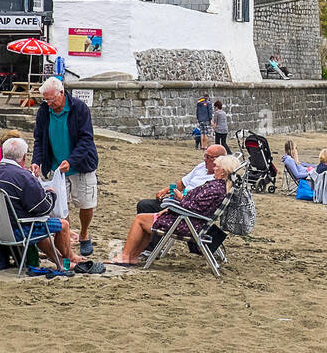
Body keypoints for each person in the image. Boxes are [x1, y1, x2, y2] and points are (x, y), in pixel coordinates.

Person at [109, 154, 239, 265]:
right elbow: (197, 206)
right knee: (145, 217)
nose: (214, 168)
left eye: (216, 166)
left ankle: (125, 256)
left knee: (140, 219)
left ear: (222, 171)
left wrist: (171, 207)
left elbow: (194, 208)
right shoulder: (218, 187)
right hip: (191, 221)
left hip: (187, 224)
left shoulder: (214, 188)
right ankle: (133, 257)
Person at [0, 137, 85, 267]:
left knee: (39, 228)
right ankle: (67, 262)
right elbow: (43, 208)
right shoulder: (23, 177)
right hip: (18, 230)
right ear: (24, 157)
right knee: (63, 225)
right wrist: (51, 193)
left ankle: (59, 261)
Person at [31, 77, 100, 257]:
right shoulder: (44, 111)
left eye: (52, 99)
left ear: (61, 93)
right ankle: (67, 240)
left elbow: (86, 139)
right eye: (46, 100)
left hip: (81, 165)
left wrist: (72, 160)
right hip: (56, 167)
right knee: (60, 206)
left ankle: (84, 233)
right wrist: (36, 161)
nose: (49, 103)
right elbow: (39, 139)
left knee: (86, 203)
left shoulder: (79, 108)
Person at [139, 144, 227, 215]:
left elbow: (198, 205)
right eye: (205, 156)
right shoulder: (202, 166)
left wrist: (182, 198)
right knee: (145, 205)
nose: (205, 159)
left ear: (218, 160)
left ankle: (154, 234)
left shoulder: (216, 182)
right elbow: (182, 183)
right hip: (179, 201)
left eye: (208, 157)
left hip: (186, 209)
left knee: (144, 208)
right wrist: (166, 190)